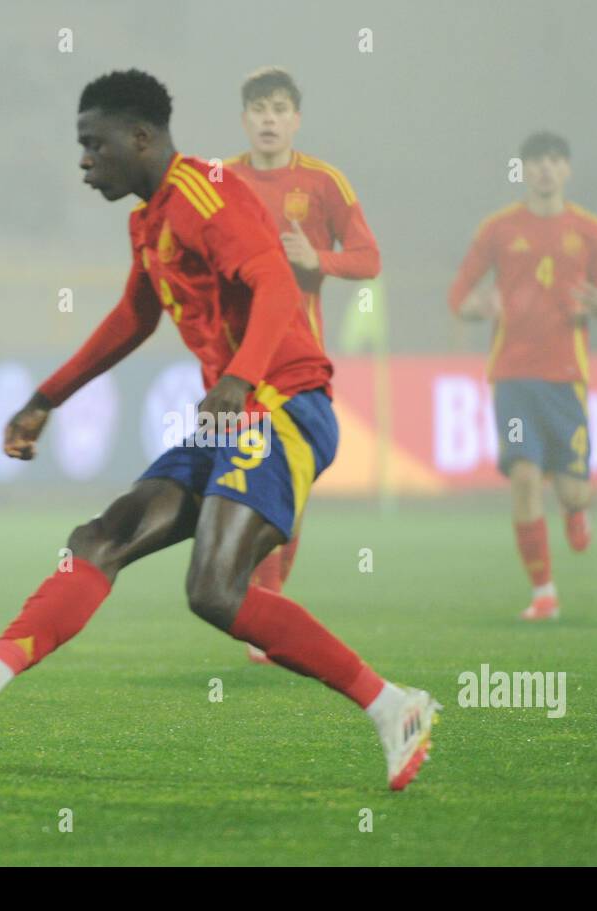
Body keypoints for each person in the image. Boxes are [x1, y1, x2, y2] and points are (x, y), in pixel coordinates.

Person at [0, 70, 439, 790]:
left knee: (215, 591)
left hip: (284, 404)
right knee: (100, 538)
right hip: (233, 419)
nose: (83, 160)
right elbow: (134, 318)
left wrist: (239, 378)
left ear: (140, 137)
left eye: (92, 144)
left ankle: (394, 706)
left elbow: (274, 282)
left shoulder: (206, 193)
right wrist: (47, 397)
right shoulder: (149, 221)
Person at [225, 67, 382, 661]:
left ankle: (266, 600)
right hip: (235, 365)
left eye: (280, 108)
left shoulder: (323, 183)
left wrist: (316, 257)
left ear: (296, 118)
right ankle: (254, 602)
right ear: (244, 118)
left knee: (284, 490)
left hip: (296, 367)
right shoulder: (220, 181)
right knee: (240, 484)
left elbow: (369, 257)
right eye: (259, 108)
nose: (269, 118)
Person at [448, 131, 597, 621]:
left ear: (567, 170)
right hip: (513, 377)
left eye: (555, 161)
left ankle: (578, 509)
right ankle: (544, 592)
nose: (545, 170)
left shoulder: (590, 230)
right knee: (522, 478)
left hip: (566, 378)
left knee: (572, 489)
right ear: (523, 170)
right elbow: (459, 294)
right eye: (536, 162)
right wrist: (477, 307)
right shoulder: (498, 229)